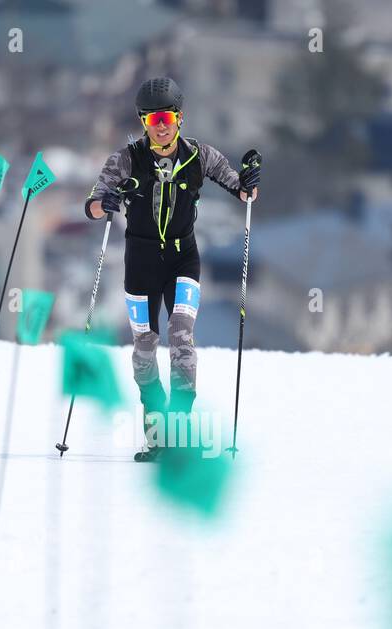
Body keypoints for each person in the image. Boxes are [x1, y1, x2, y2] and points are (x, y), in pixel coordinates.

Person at [85, 76, 260, 461]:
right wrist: (108, 202)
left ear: (180, 118)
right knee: (144, 351)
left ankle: (179, 431)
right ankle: (156, 434)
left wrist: (249, 183)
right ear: (142, 123)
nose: (159, 126)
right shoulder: (125, 159)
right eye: (150, 120)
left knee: (181, 337)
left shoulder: (201, 156)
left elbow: (241, 190)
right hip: (140, 263)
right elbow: (93, 206)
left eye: (165, 117)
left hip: (184, 258)